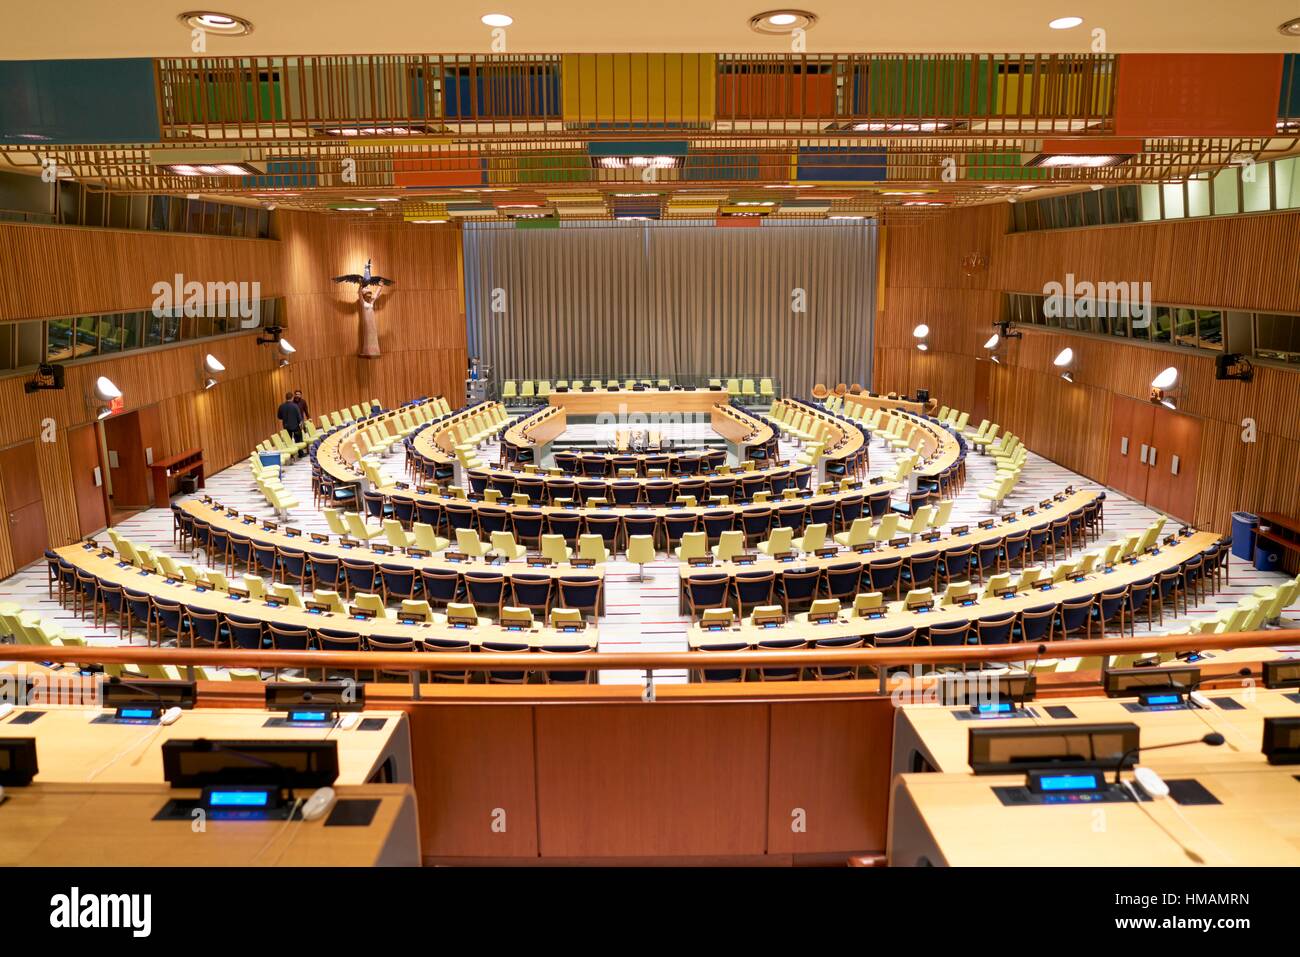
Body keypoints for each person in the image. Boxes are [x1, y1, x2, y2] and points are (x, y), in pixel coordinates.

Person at [276, 392, 305, 458]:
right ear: (292, 398)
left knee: (288, 441)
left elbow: (279, 417)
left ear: (286, 398)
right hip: (296, 426)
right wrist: (300, 423)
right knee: (298, 440)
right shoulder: (295, 406)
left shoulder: (281, 406)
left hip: (286, 426)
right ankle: (300, 454)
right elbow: (299, 416)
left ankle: (291, 455)